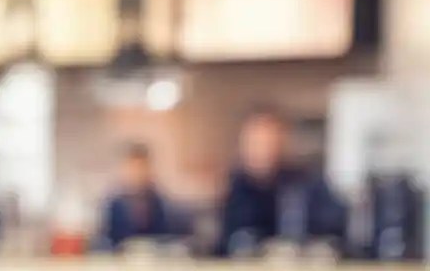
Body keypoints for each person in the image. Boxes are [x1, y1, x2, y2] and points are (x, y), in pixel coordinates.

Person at [216, 106, 347, 257]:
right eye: (256, 142)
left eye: (269, 140)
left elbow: (333, 232)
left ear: (283, 141)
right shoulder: (233, 189)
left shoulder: (307, 184)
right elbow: (223, 244)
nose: (263, 149)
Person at [97, 142, 185, 251]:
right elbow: (104, 239)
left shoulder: (160, 202)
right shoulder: (114, 204)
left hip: (155, 259)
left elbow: (169, 236)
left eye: (141, 167)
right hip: (120, 261)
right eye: (133, 168)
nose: (137, 173)